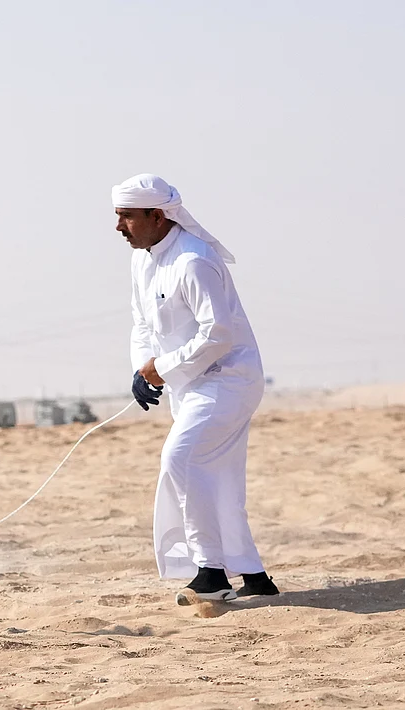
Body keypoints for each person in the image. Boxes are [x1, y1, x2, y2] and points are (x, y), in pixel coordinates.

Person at [113, 173, 279, 604]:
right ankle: (255, 578)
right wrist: (141, 369)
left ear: (157, 215)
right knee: (217, 475)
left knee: (180, 459)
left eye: (127, 217)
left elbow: (217, 334)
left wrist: (161, 368)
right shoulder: (142, 260)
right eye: (117, 217)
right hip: (189, 386)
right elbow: (142, 324)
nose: (119, 227)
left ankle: (210, 572)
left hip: (229, 378)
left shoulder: (193, 260)